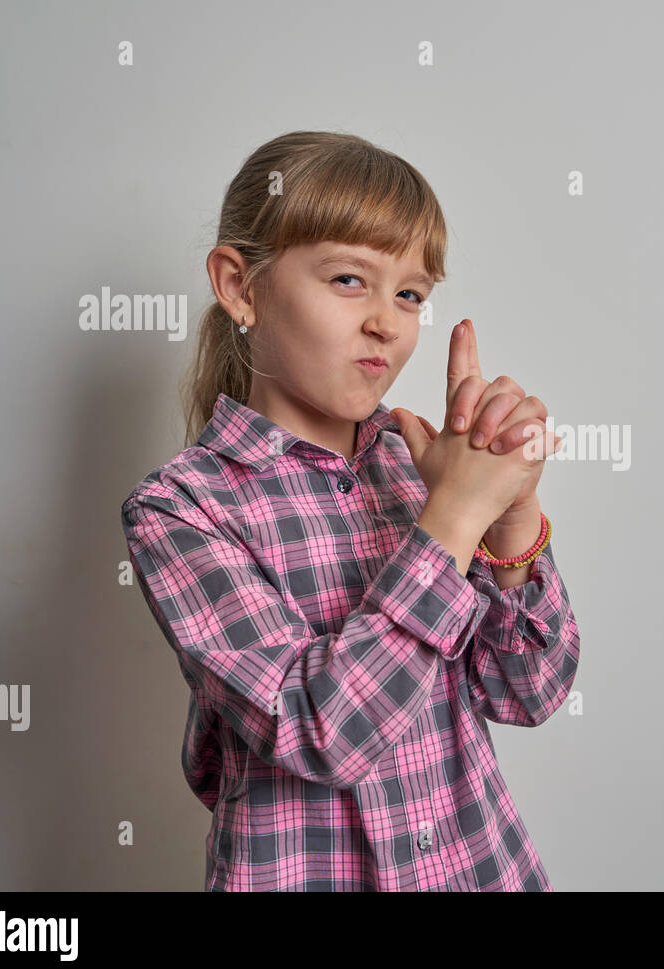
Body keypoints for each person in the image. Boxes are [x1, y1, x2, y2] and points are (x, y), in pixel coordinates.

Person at [119, 130, 580, 891]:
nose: (387, 323)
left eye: (410, 293)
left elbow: (528, 690)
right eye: (347, 279)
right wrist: (454, 520)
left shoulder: (420, 469)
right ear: (240, 285)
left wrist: (508, 518)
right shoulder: (180, 509)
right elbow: (320, 729)